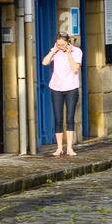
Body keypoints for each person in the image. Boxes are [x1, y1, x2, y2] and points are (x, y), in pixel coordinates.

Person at [42, 30, 83, 158]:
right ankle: (59, 147)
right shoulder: (56, 51)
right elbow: (44, 62)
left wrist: (69, 54)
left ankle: (70, 147)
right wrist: (53, 51)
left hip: (71, 87)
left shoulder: (77, 51)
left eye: (62, 44)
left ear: (68, 42)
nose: (61, 47)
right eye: (58, 44)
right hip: (56, 87)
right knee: (58, 118)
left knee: (70, 118)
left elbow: (75, 69)